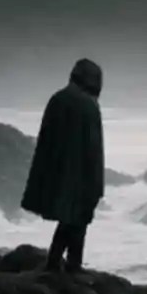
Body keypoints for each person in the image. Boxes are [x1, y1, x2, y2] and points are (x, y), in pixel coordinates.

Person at [21, 58, 105, 273]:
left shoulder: (58, 99)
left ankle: (58, 262)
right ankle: (69, 265)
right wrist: (97, 184)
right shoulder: (89, 106)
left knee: (71, 220)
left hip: (56, 172)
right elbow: (94, 150)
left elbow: (45, 141)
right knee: (78, 220)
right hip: (80, 175)